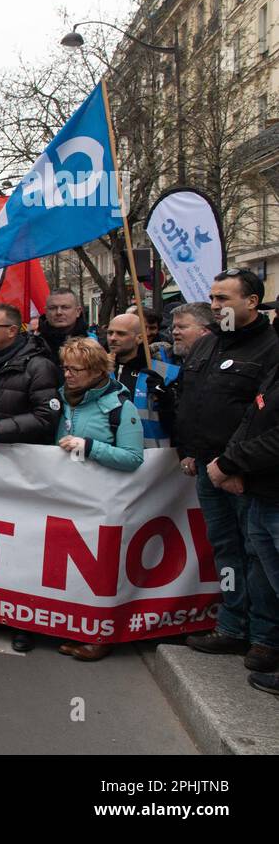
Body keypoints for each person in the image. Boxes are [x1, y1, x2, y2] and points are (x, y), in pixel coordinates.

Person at [177, 269, 279, 672]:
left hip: (244, 472)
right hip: (207, 466)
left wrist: (233, 463)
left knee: (258, 554)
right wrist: (191, 450)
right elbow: (191, 398)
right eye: (214, 298)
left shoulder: (270, 348)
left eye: (224, 299)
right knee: (227, 549)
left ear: (252, 302)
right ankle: (232, 626)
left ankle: (265, 638)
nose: (216, 306)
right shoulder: (208, 346)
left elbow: (259, 418)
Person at [0, 303, 62, 652]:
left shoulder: (38, 366)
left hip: (24, 468)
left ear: (13, 330)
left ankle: (25, 621)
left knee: (24, 546)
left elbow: (46, 416)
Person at [53, 337, 145, 661]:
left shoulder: (120, 406)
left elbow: (134, 457)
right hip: (68, 497)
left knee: (98, 570)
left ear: (95, 371)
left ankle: (98, 635)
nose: (68, 375)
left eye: (75, 369)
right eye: (65, 368)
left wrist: (89, 447)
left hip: (102, 502)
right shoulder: (63, 400)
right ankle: (69, 623)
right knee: (68, 568)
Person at [211, 361, 279, 695]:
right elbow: (253, 419)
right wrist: (232, 460)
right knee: (266, 576)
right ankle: (262, 640)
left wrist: (229, 462)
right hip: (262, 493)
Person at [106, 312, 176, 449]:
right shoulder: (99, 371)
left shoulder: (164, 372)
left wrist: (166, 399)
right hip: (109, 454)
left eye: (121, 334)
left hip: (153, 458)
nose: (112, 338)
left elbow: (180, 422)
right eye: (110, 333)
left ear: (139, 338)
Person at [36, 288, 91, 363]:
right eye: (53, 308)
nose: (59, 312)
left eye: (65, 307)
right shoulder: (33, 345)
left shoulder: (94, 344)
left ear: (78, 311)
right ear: (46, 312)